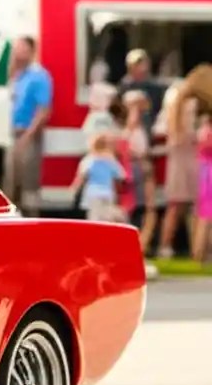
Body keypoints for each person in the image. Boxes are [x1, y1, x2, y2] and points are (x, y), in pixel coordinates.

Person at [5, 36, 52, 216]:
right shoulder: (19, 76)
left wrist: (28, 136)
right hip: (15, 134)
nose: (17, 52)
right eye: (16, 49)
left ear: (32, 51)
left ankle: (32, 220)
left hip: (28, 135)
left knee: (29, 186)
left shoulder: (39, 76)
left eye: (22, 48)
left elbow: (43, 110)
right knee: (12, 183)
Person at [155, 80, 199, 259]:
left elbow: (161, 132)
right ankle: (193, 247)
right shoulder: (190, 108)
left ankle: (168, 247)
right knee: (189, 207)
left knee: (177, 207)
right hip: (189, 160)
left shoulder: (173, 111)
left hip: (181, 161)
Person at [121, 90, 158, 250]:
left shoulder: (144, 126)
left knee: (149, 208)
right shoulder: (130, 126)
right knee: (135, 208)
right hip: (134, 168)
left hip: (143, 167)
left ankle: (142, 243)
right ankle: (135, 243)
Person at [71, 131, 128, 223]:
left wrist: (74, 189)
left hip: (93, 193)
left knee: (94, 219)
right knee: (107, 219)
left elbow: (81, 176)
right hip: (107, 193)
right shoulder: (110, 160)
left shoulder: (89, 159)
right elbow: (122, 175)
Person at [193, 113, 212, 263]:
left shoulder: (202, 131)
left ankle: (201, 253)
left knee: (204, 217)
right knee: (206, 217)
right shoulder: (207, 132)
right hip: (208, 174)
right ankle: (200, 253)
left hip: (204, 173)